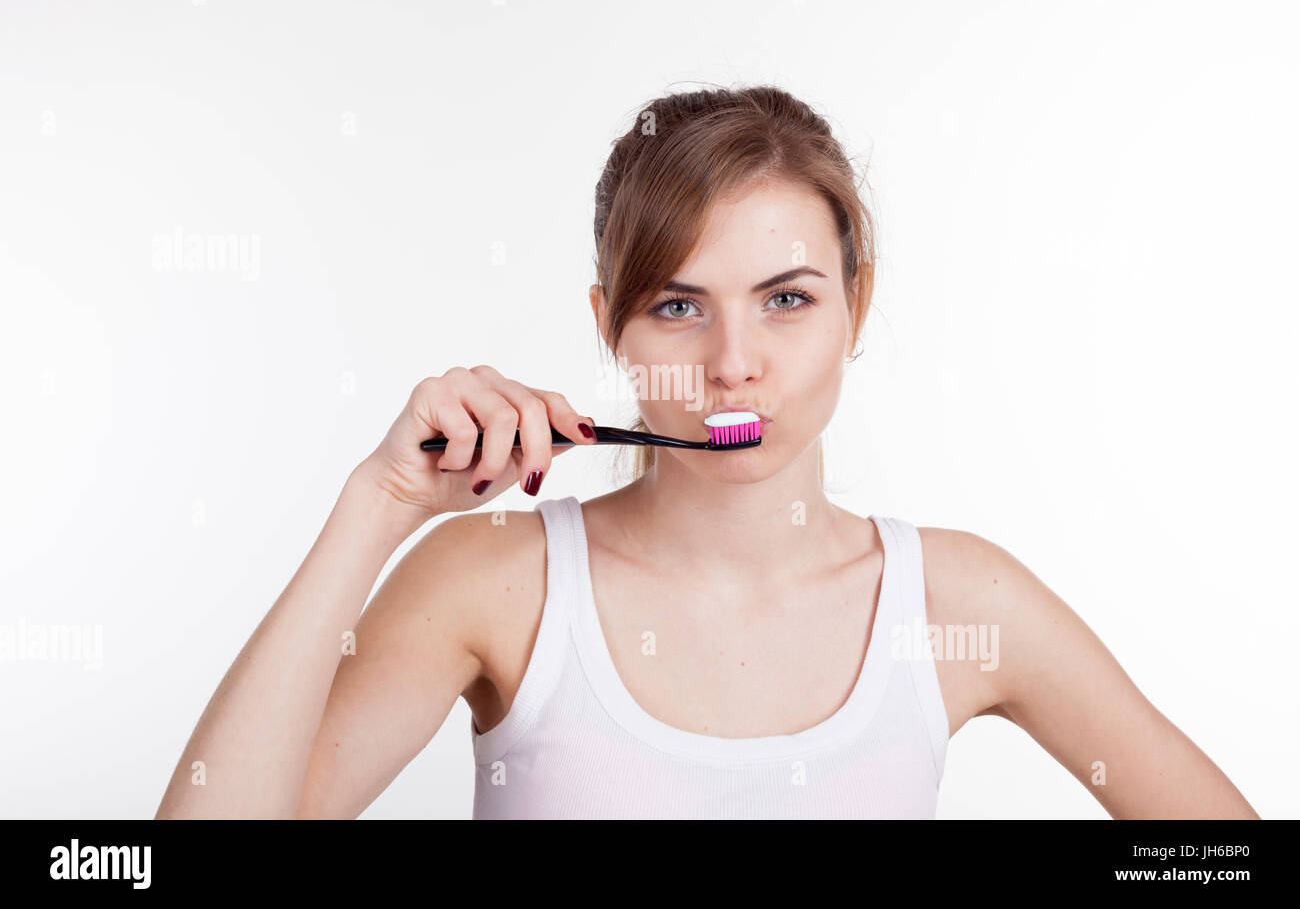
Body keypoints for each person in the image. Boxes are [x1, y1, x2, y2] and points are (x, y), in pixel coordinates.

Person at [156, 85, 1259, 819]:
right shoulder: (493, 583)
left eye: (786, 298)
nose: (734, 363)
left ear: (856, 306)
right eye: (679, 306)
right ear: (609, 324)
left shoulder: (956, 600)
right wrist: (379, 501)